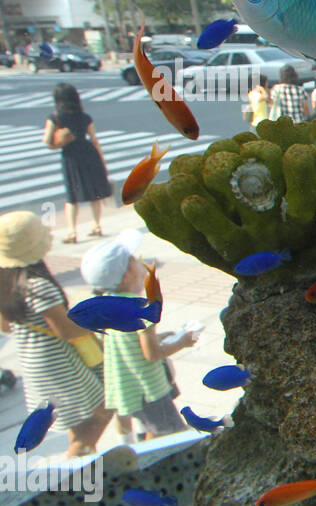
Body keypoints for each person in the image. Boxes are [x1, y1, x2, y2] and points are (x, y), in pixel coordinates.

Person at [0, 211, 111, 458]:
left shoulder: (5, 283)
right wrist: (100, 321)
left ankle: (82, 465)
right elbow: (66, 330)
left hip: (33, 365)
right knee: (106, 406)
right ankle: (73, 468)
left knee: (75, 420)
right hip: (59, 364)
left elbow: (6, 326)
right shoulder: (38, 285)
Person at [81, 232, 195, 442]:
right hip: (149, 389)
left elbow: (125, 341)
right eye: (132, 259)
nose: (138, 260)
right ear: (126, 276)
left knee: (150, 433)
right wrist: (183, 341)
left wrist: (160, 336)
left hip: (127, 388)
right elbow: (152, 354)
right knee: (173, 437)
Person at [42, 83, 111, 244]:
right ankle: (96, 226)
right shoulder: (85, 117)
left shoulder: (55, 118)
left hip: (70, 157)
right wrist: (102, 160)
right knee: (94, 192)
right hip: (89, 154)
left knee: (71, 195)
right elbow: (94, 140)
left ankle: (72, 232)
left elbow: (47, 140)